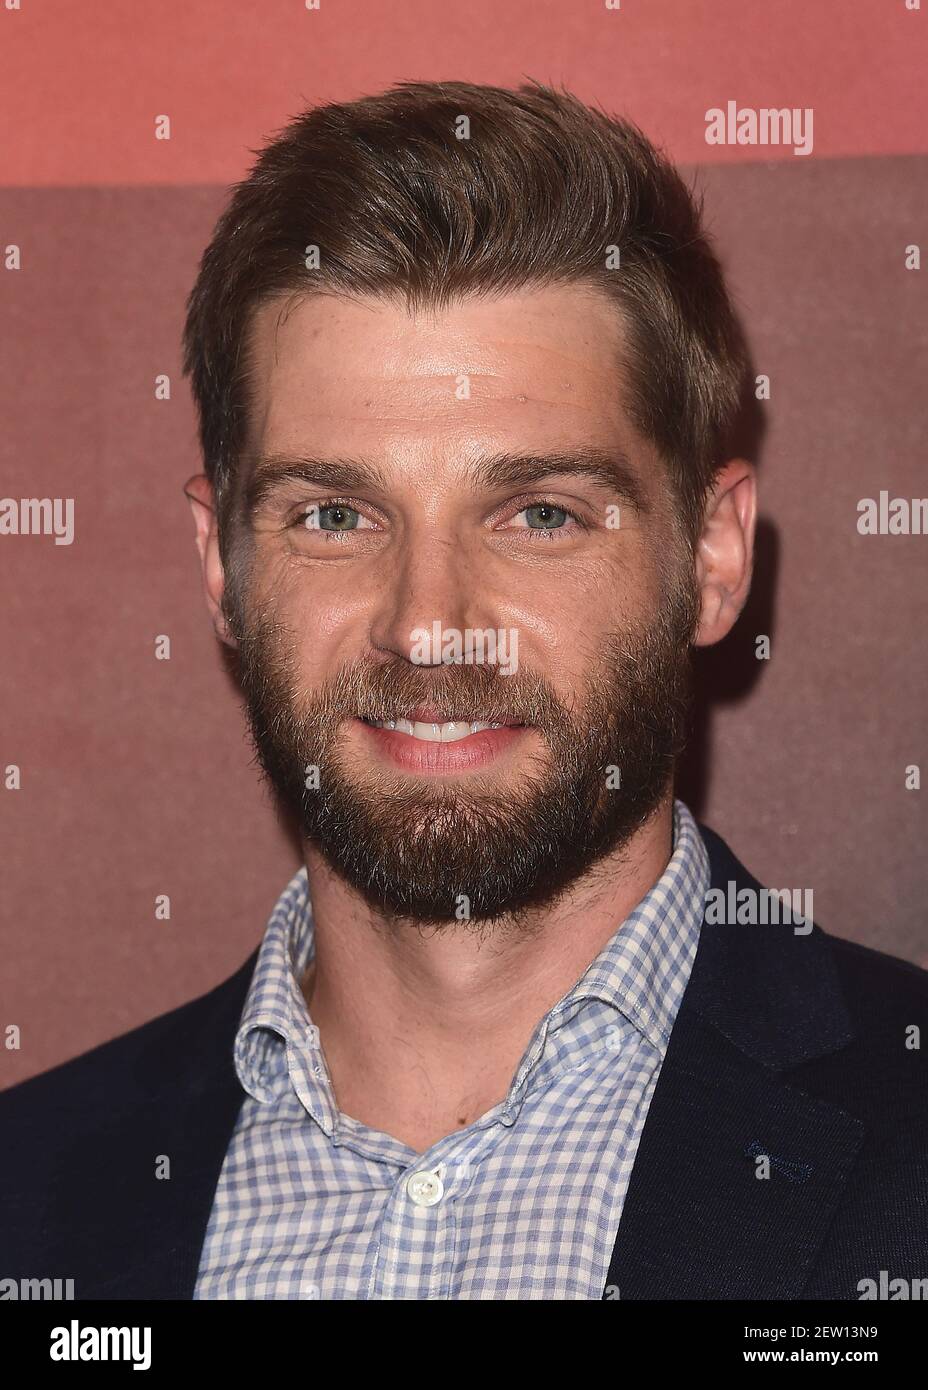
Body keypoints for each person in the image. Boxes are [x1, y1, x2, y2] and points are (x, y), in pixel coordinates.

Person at [2, 80, 925, 1301]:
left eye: (539, 514)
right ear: (218, 565)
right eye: (334, 515)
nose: (428, 622)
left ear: (712, 556)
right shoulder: (31, 1194)